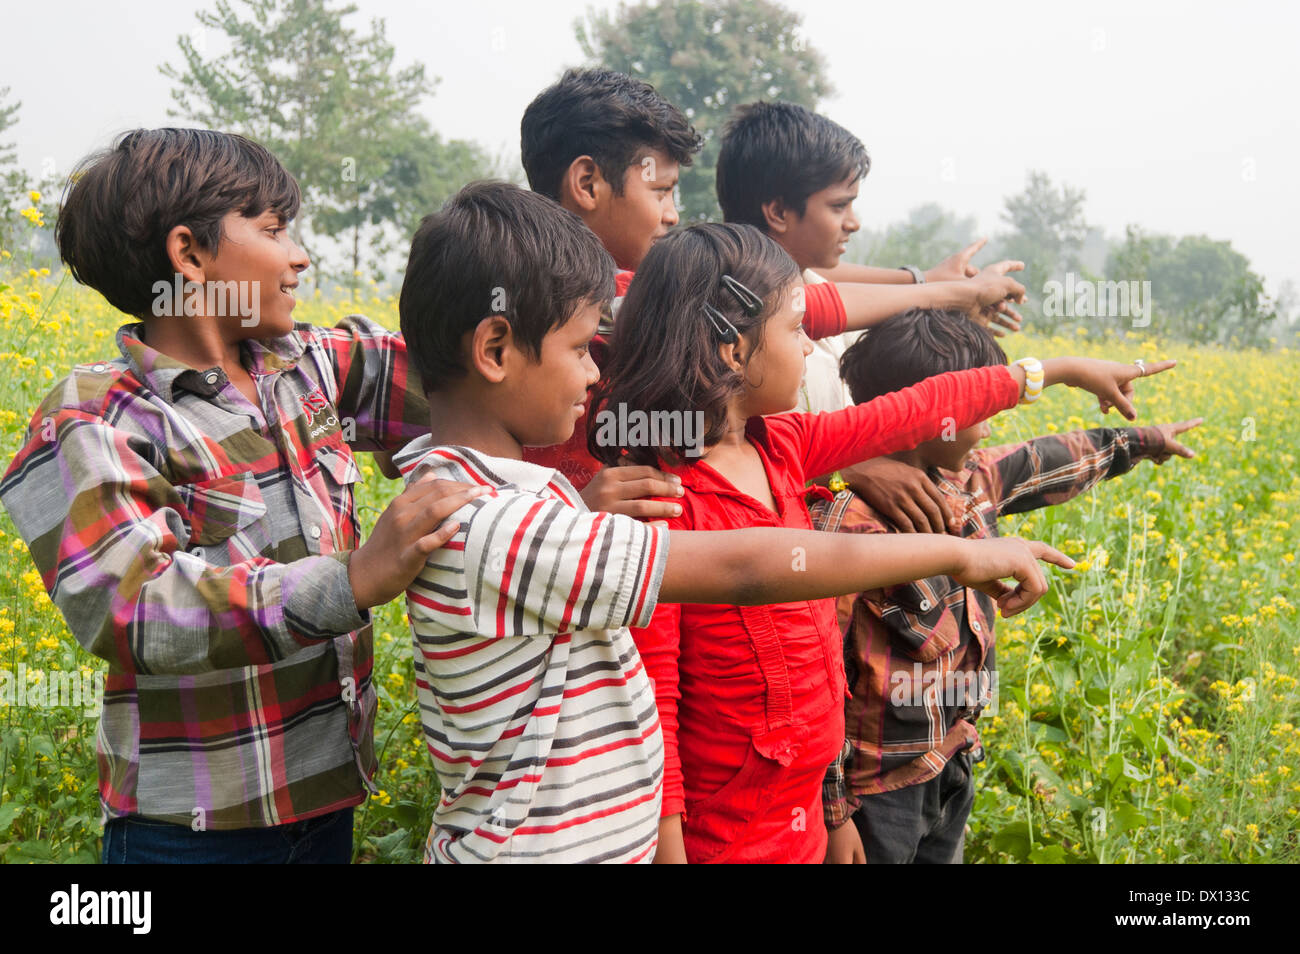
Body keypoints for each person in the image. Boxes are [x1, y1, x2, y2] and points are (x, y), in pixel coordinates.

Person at [391, 181, 1073, 862]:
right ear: (496, 350)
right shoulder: (527, 519)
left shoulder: (558, 502)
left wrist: (1048, 374)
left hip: (787, 819)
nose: (593, 372)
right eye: (578, 350)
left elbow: (908, 411)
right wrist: (954, 554)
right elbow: (745, 571)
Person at [589, 221, 1167, 863]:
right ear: (732, 351)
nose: (810, 350)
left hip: (801, 817)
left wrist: (1055, 371)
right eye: (795, 330)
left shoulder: (783, 445)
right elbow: (655, 707)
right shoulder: (660, 502)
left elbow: (921, 404)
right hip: (722, 838)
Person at [0, 128, 479, 863]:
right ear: (190, 255)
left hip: (328, 803)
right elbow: (133, 607)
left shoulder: (311, 366)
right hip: (190, 836)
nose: (300, 256)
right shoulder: (93, 416)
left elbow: (478, 376)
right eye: (275, 230)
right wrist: (349, 581)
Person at [816, 308, 1198, 863]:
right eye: (982, 410)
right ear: (932, 416)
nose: (993, 425)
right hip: (876, 795)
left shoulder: (970, 479)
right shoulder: (848, 523)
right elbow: (820, 677)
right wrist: (834, 813)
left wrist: (1143, 441)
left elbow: (1050, 460)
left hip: (951, 760)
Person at [716, 99, 1025, 533]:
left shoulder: (811, 288)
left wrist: (931, 286)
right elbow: (729, 450)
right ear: (780, 212)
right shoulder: (728, 312)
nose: (854, 223)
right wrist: (849, 467)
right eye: (839, 206)